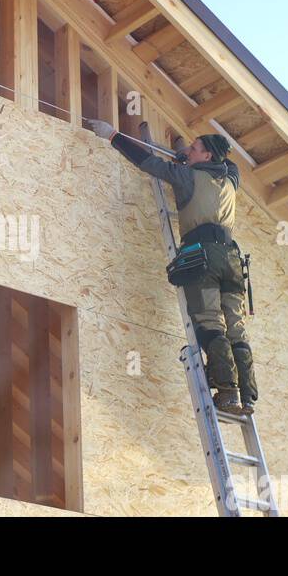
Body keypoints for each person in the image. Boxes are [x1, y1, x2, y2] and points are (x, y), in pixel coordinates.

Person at [90, 120, 258, 415]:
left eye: (194, 149)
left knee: (209, 322)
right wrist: (187, 154)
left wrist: (114, 136)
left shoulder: (185, 177)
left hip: (202, 255)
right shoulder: (231, 177)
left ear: (206, 156)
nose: (188, 152)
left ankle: (228, 393)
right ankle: (247, 393)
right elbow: (226, 161)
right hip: (231, 259)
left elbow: (148, 162)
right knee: (235, 326)